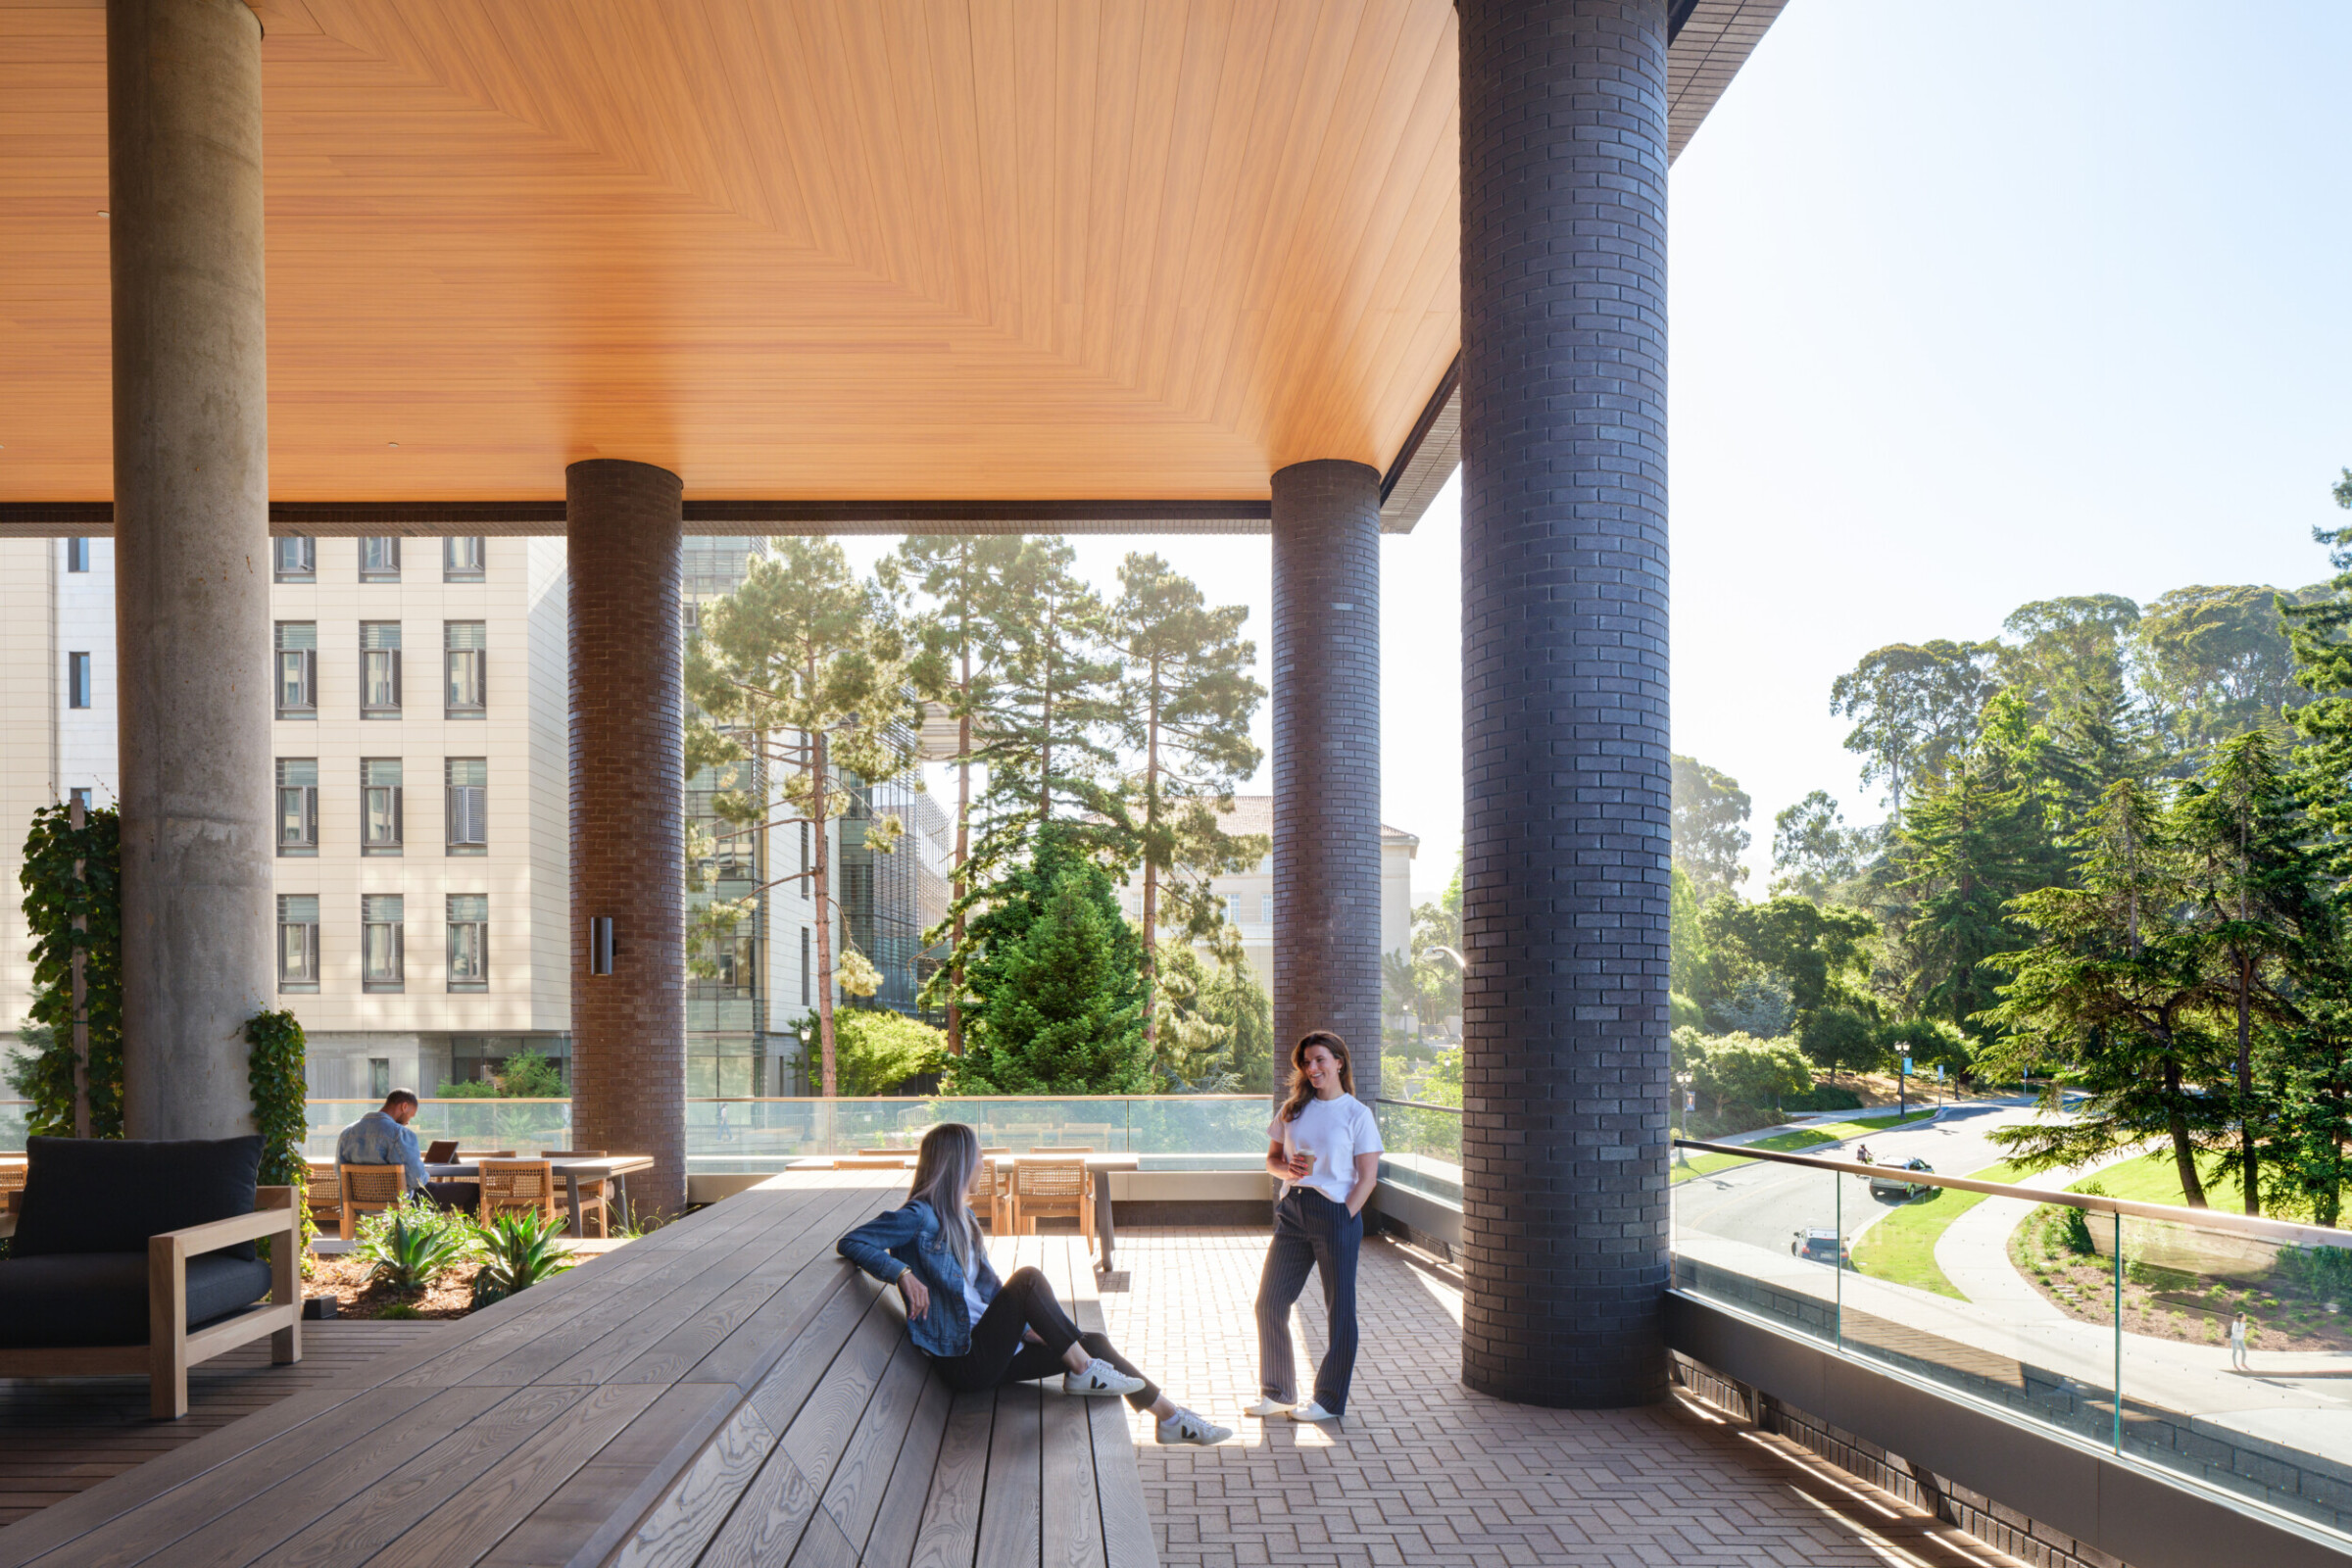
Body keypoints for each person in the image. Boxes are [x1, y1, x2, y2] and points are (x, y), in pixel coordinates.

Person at [837, 1123, 1231, 1446]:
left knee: (1090, 1342)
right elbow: (852, 1241)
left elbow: (983, 1295)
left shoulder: (963, 1218)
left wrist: (1028, 1329)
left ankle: (1171, 1418)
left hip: (992, 1350)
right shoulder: (919, 1216)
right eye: (978, 1155)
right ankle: (1083, 1371)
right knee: (1028, 1280)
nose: (983, 1162)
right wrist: (902, 1274)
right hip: (964, 1360)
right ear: (958, 1162)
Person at [1249, 1029, 1383, 1425]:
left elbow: (1368, 1177)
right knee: (1270, 1302)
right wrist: (1285, 1168)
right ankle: (1278, 1393)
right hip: (1293, 1211)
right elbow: (1272, 1159)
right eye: (1307, 1062)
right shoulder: (1293, 1109)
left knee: (1339, 1310)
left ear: (1339, 1062)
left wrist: (1346, 1214)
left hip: (1335, 1213)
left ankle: (1328, 1399)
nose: (1312, 1068)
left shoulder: (1357, 1114)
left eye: (1320, 1060)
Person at [335, 1089, 430, 1195]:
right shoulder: (399, 1133)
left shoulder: (346, 1133)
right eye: (411, 1116)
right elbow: (416, 1180)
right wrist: (427, 1174)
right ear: (404, 1106)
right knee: (450, 1189)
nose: (408, 1122)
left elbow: (339, 1172)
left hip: (356, 1205)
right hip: (394, 1205)